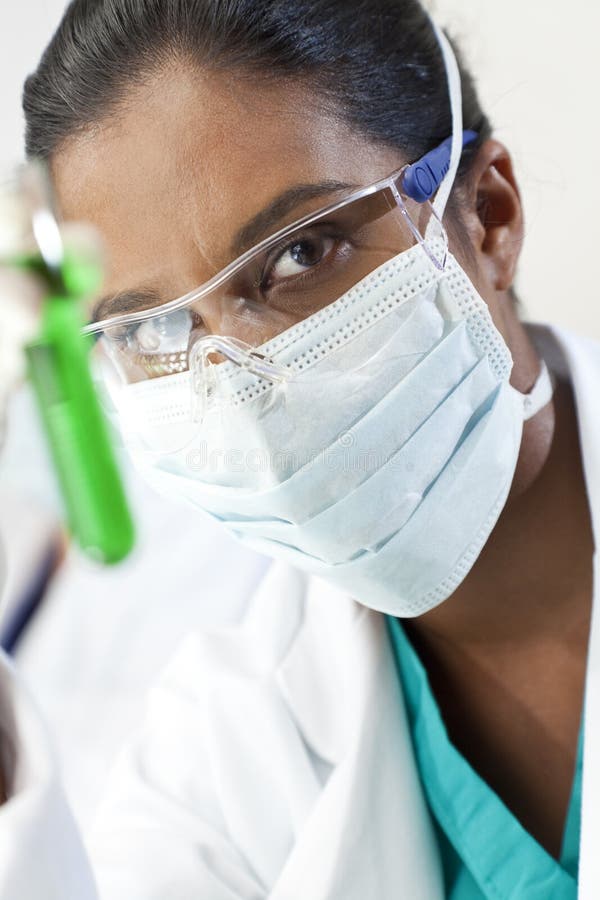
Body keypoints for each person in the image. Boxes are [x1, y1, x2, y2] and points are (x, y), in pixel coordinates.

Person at [0, 0, 597, 897]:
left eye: (302, 253)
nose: (237, 384)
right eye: (155, 328)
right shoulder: (222, 748)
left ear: (488, 216)